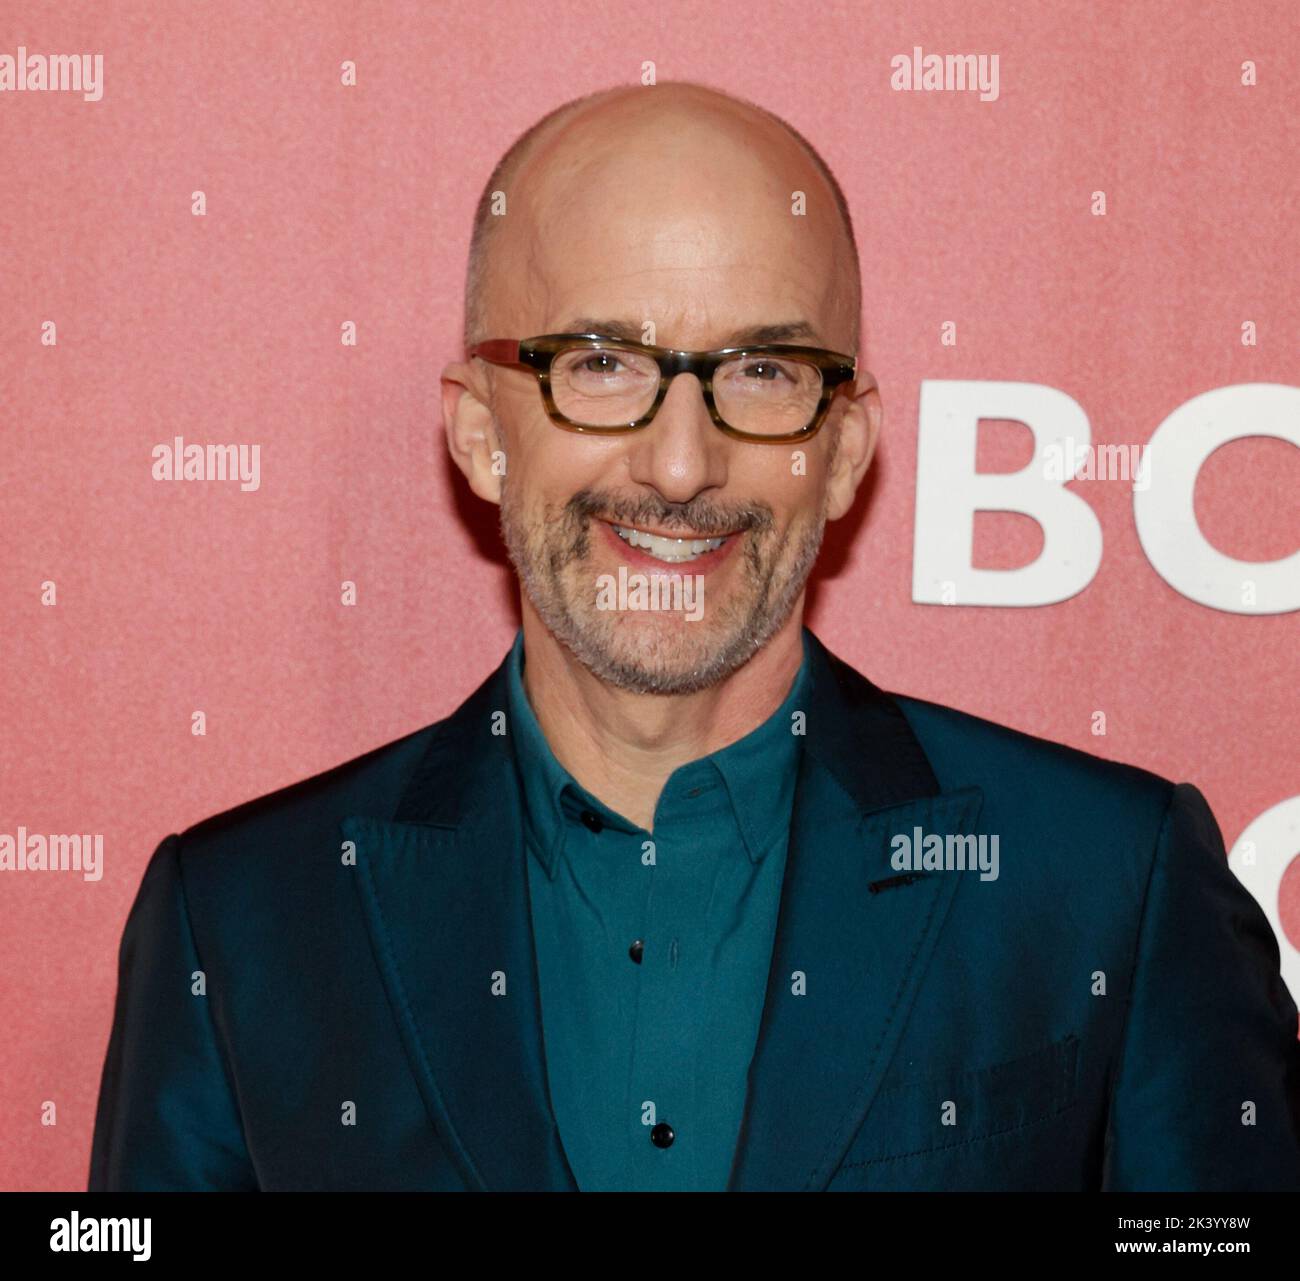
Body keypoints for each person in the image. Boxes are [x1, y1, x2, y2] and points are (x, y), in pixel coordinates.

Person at [89, 80, 1300, 1192]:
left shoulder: (1102, 883)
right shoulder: (243, 919)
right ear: (476, 431)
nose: (679, 466)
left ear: (845, 450)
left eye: (763, 370)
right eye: (600, 363)